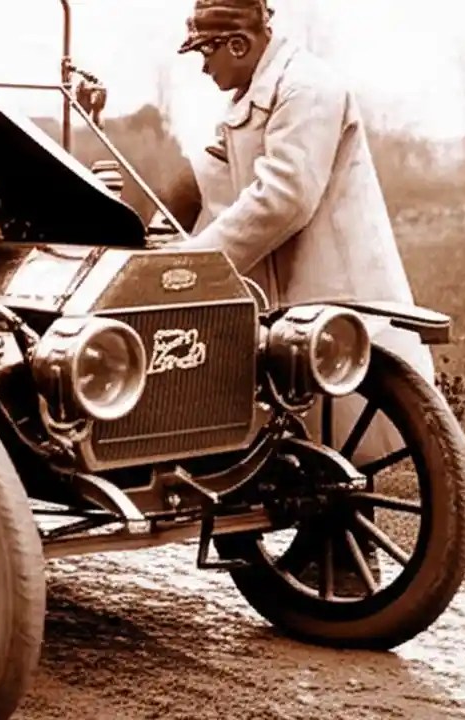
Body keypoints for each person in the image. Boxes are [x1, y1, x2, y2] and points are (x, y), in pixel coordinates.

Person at [158, 0, 439, 470]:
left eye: (206, 52)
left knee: (342, 423)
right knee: (307, 429)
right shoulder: (252, 95)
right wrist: (154, 229)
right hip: (293, 290)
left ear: (239, 44)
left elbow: (285, 197)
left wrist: (194, 261)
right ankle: (309, 532)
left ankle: (337, 531)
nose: (203, 67)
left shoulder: (308, 89)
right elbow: (209, 169)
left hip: (333, 280)